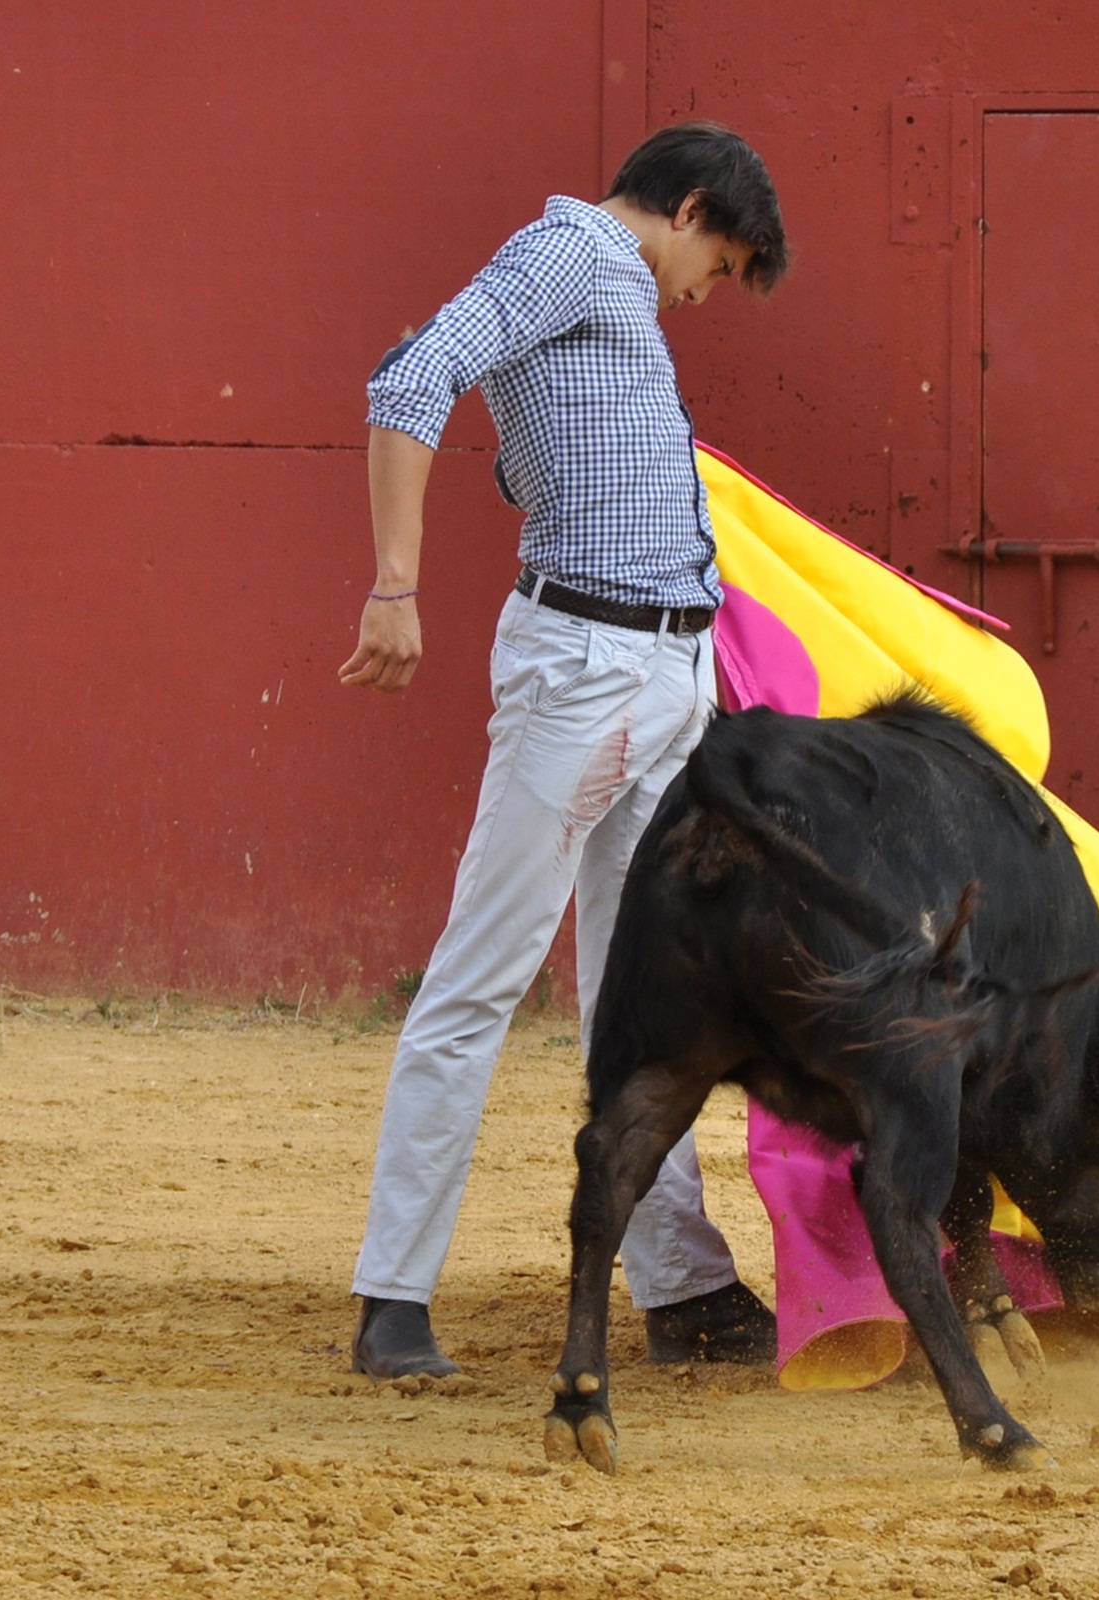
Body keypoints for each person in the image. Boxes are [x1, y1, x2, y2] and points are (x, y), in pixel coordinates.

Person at [336, 123, 790, 1380]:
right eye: (722, 258)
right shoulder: (579, 254)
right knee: (483, 972)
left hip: (660, 672)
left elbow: (532, 453)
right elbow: (410, 381)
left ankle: (684, 1288)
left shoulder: (612, 299)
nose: (711, 289)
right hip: (585, 669)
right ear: (689, 205)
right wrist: (394, 585)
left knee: (650, 986)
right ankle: (393, 1298)